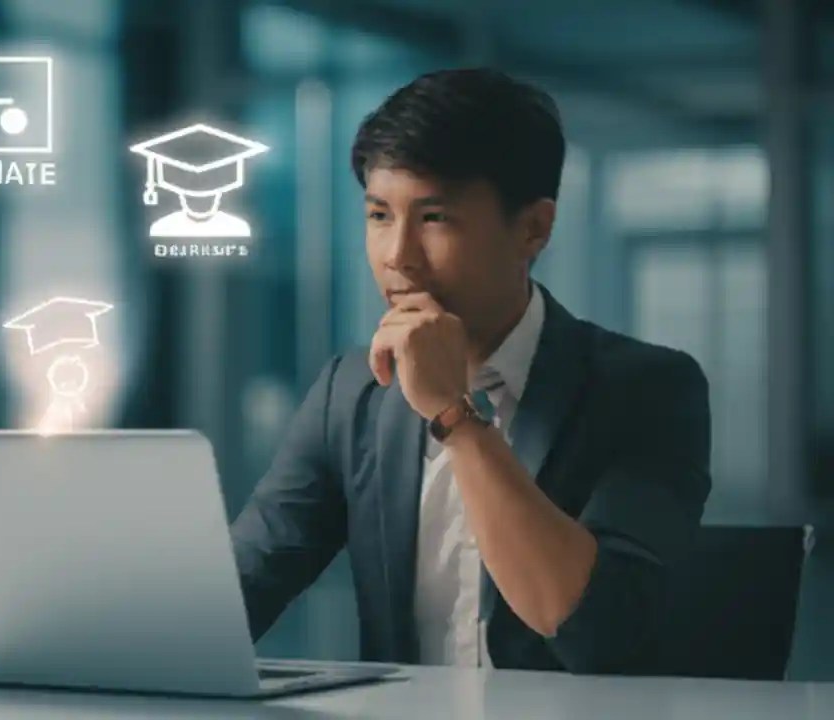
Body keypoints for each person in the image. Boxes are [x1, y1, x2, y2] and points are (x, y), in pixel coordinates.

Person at [230, 68, 711, 674]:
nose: (397, 256)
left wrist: (453, 415)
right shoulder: (350, 393)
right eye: (379, 215)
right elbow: (233, 597)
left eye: (434, 219)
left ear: (533, 227)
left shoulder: (648, 389)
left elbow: (599, 631)